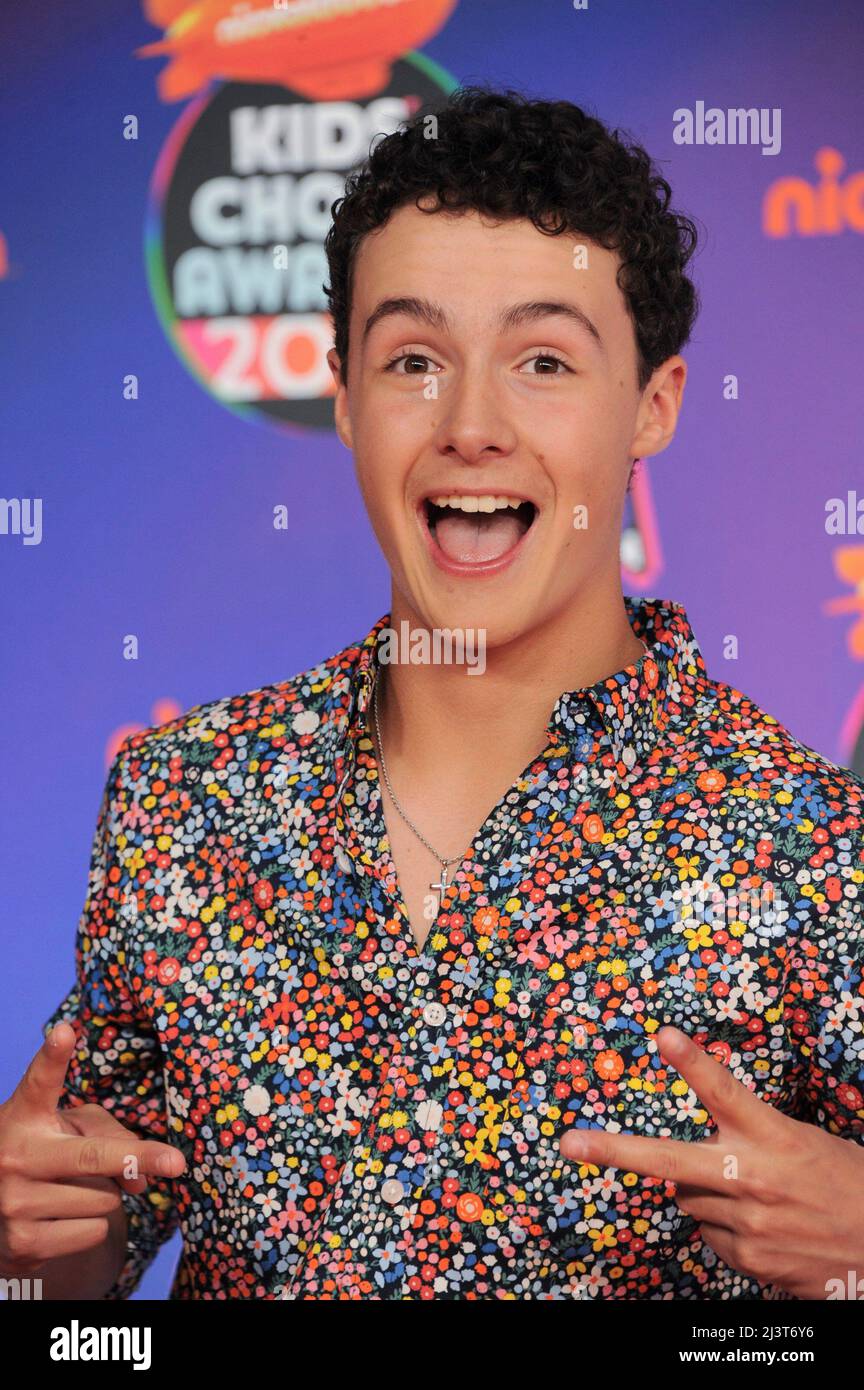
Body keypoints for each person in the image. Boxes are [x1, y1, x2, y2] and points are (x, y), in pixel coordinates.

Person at [2, 86, 862, 1302]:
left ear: (652, 410)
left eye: (545, 360)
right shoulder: (182, 805)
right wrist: (30, 1244)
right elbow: (79, 1276)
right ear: (346, 397)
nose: (471, 424)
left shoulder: (808, 845)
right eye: (414, 360)